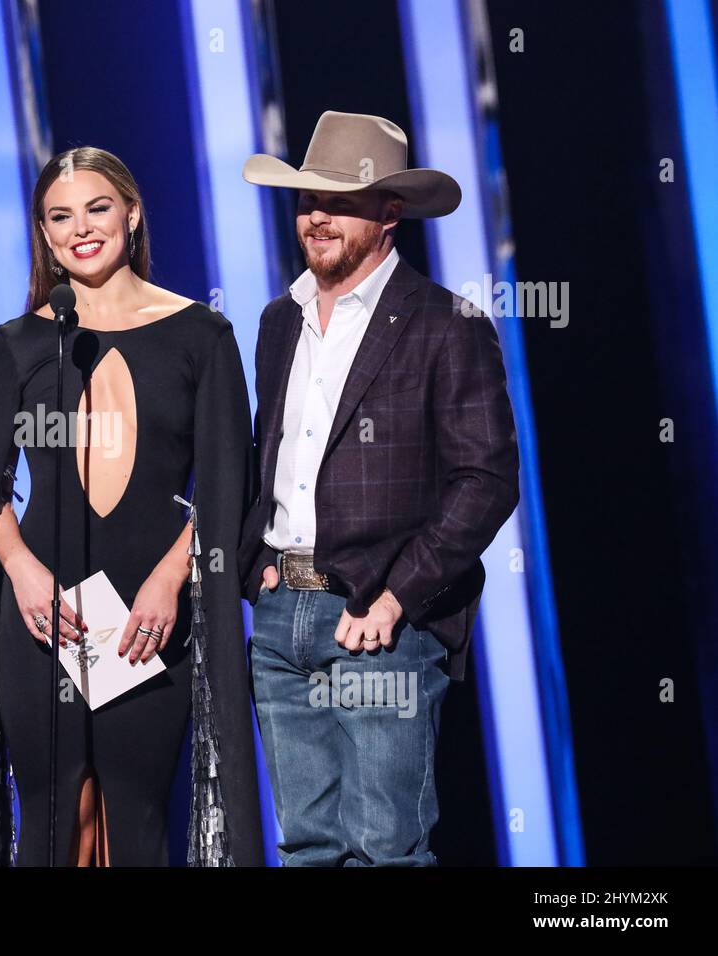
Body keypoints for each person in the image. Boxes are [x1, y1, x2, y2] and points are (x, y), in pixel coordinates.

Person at [0, 147, 263, 867]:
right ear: (45, 235)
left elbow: (228, 482)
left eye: (98, 208)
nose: (81, 228)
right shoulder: (19, 345)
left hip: (149, 617)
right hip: (44, 616)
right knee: (55, 819)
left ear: (132, 213)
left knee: (134, 818)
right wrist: (20, 569)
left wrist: (173, 577)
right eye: (60, 216)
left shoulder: (202, 336)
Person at [238, 110, 520, 865]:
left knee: (385, 849)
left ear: (391, 212)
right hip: (278, 620)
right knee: (307, 849)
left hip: (378, 623)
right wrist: (255, 568)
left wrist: (395, 597)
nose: (317, 217)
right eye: (307, 200)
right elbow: (268, 455)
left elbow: (486, 481)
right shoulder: (279, 321)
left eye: (339, 200)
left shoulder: (445, 323)